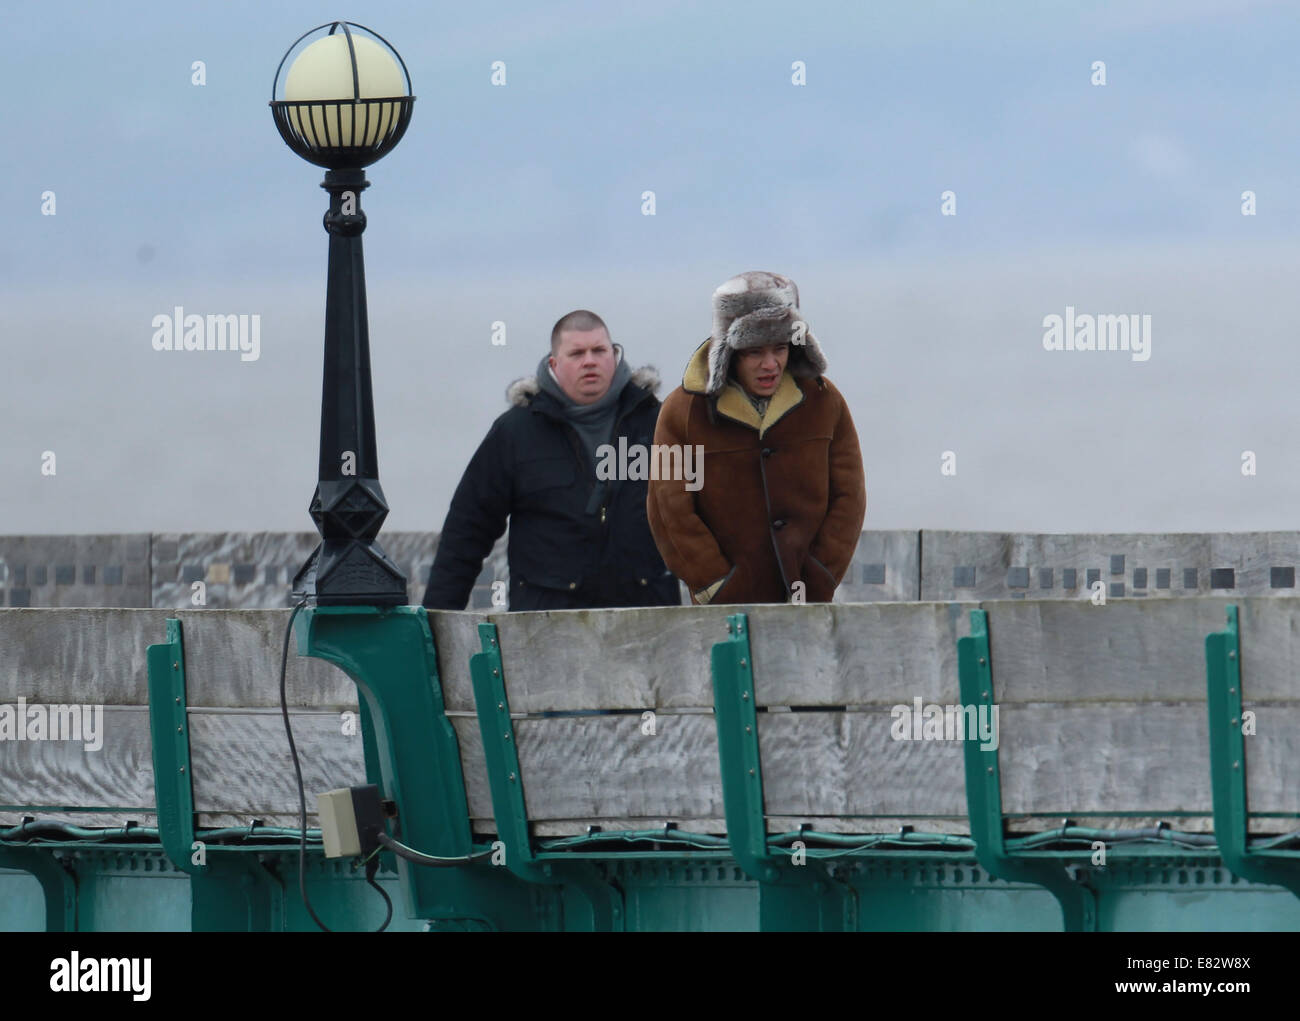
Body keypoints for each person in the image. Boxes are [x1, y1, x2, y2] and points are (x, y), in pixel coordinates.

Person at [423, 310, 681, 611]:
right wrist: (433, 625)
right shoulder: (515, 432)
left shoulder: (660, 424)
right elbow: (466, 531)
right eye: (576, 353)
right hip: (544, 625)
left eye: (599, 350)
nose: (590, 361)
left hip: (649, 619)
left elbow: (705, 513)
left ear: (615, 354)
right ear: (554, 364)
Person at [647, 271, 865, 604]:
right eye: (754, 352)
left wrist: (820, 575)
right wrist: (715, 585)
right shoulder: (682, 411)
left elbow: (849, 497)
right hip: (721, 614)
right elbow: (669, 510)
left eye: (780, 348)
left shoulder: (825, 401)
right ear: (729, 353)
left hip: (808, 605)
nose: (770, 364)